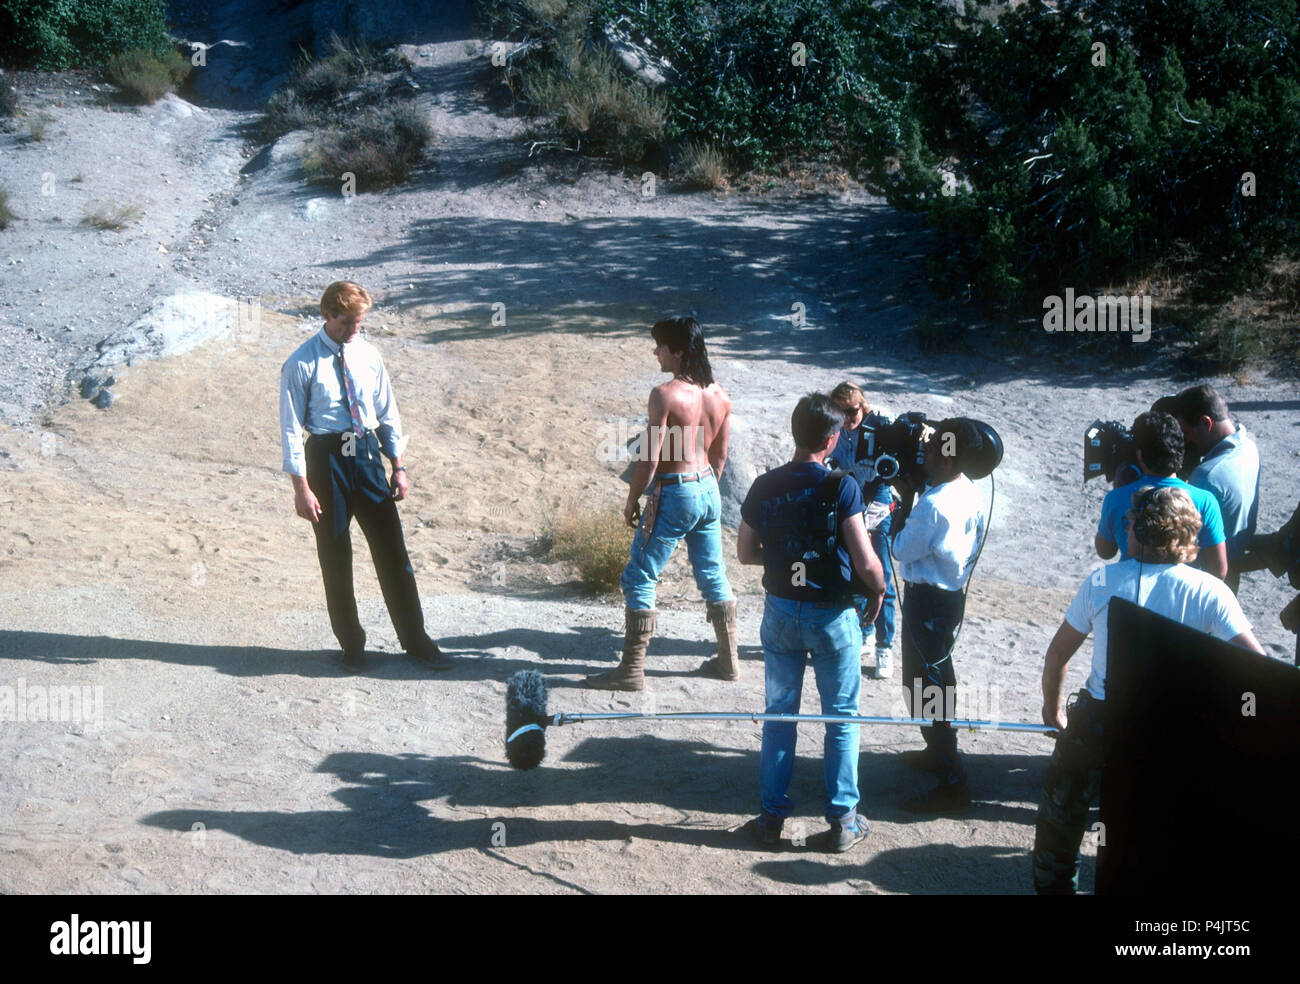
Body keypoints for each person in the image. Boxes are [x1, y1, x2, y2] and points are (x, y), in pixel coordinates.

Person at [1032, 485, 1263, 894]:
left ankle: (1055, 886)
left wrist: (1054, 710)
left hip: (1099, 718)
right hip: (1171, 726)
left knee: (1062, 817)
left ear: (1138, 527)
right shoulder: (1211, 592)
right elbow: (1255, 666)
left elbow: (1057, 656)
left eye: (1129, 521)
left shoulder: (1103, 580)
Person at [738, 393, 886, 851]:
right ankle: (843, 819)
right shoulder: (842, 487)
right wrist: (878, 590)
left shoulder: (764, 484)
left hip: (781, 610)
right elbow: (865, 560)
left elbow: (745, 553)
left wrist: (783, 560)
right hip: (830, 615)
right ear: (831, 438)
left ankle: (770, 817)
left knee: (780, 716)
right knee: (840, 717)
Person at [279, 281, 450, 673]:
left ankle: (417, 642)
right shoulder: (301, 362)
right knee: (336, 557)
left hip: (367, 455)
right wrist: (301, 488)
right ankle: (352, 646)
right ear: (327, 315)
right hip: (326, 461)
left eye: (359, 322)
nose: (354, 330)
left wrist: (398, 465)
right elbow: (290, 429)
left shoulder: (369, 355)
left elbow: (387, 411)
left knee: (394, 554)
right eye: (347, 323)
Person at [587, 317, 737, 690]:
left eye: (660, 346)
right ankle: (729, 662)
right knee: (713, 574)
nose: (655, 351)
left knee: (639, 576)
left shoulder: (665, 394)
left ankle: (632, 671)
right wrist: (704, 492)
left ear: (679, 351)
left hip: (676, 488)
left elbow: (650, 460)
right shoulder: (720, 395)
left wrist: (632, 499)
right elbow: (719, 457)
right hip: (707, 489)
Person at [890, 418, 987, 814]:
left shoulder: (932, 506)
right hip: (949, 596)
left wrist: (905, 503)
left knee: (930, 684)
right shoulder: (968, 489)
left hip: (927, 599)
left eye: (930, 449)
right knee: (932, 678)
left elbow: (899, 549)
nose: (923, 452)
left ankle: (953, 778)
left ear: (947, 461)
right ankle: (936, 752)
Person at [1095, 410, 1228, 579]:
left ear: (1140, 455)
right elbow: (1219, 570)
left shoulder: (1116, 498)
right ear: (1180, 451)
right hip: (1184, 593)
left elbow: (1105, 551)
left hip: (1132, 591)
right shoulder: (1206, 501)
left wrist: (1118, 489)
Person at [827, 381, 897, 679]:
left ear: (862, 406)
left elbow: (896, 456)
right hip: (851, 491)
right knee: (856, 568)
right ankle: (865, 633)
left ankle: (886, 646)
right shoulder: (835, 430)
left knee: (880, 572)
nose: (848, 418)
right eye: (841, 412)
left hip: (879, 493)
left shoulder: (879, 425)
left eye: (852, 410)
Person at [1171, 384, 1261, 593]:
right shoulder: (1249, 447)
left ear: (1206, 422)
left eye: (1187, 432)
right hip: (1232, 565)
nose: (1187, 441)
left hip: (1206, 577)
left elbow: (1182, 540)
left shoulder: (1207, 475)